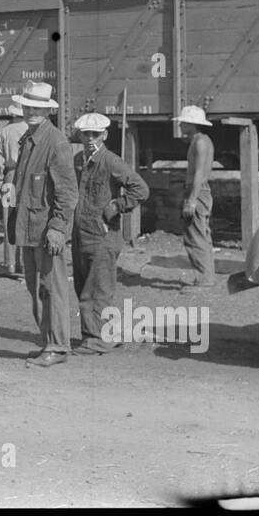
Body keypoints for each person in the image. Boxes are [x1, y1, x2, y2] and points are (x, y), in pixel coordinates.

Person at [0, 82, 78, 368]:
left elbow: (67, 192)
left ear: (47, 111)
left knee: (52, 288)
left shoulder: (55, 142)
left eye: (38, 108)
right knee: (38, 289)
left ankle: (57, 346)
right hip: (29, 228)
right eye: (28, 106)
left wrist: (58, 228)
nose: (31, 111)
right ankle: (48, 342)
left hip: (46, 230)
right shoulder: (29, 138)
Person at [70, 113, 149, 354]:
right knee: (85, 287)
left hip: (103, 236)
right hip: (82, 234)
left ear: (105, 135)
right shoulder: (78, 160)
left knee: (97, 290)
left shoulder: (111, 162)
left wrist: (117, 206)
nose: (90, 138)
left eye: (95, 134)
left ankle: (97, 340)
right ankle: (103, 334)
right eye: (86, 134)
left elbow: (141, 189)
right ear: (80, 135)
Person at [174, 105, 216, 289]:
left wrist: (191, 200)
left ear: (192, 124)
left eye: (183, 122)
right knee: (202, 235)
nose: (181, 124)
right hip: (202, 192)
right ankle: (206, 277)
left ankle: (204, 280)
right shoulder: (203, 141)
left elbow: (199, 173)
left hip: (197, 192)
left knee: (195, 236)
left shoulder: (199, 142)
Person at [0, 103, 29, 275]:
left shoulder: (4, 132)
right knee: (25, 218)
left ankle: (10, 264)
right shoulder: (33, 129)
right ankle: (24, 263)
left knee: (9, 220)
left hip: (10, 178)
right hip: (29, 179)